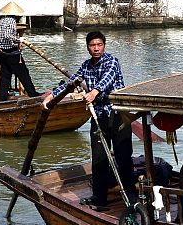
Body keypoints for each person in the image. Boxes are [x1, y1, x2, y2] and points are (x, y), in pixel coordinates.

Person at [45, 31, 135, 209]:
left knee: (123, 157)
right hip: (98, 116)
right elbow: (71, 82)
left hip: (118, 115)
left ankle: (131, 197)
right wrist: (51, 96)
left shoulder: (112, 61)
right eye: (92, 45)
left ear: (104, 46)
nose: (96, 48)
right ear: (87, 47)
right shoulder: (86, 66)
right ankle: (99, 198)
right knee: (99, 159)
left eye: (99, 45)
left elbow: (107, 79)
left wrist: (94, 92)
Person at [0, 1, 37, 100]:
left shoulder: (1, 21)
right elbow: (7, 35)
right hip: (12, 53)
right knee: (23, 74)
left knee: (5, 75)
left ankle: (2, 97)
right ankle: (33, 94)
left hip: (3, 53)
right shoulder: (11, 21)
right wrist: (19, 39)